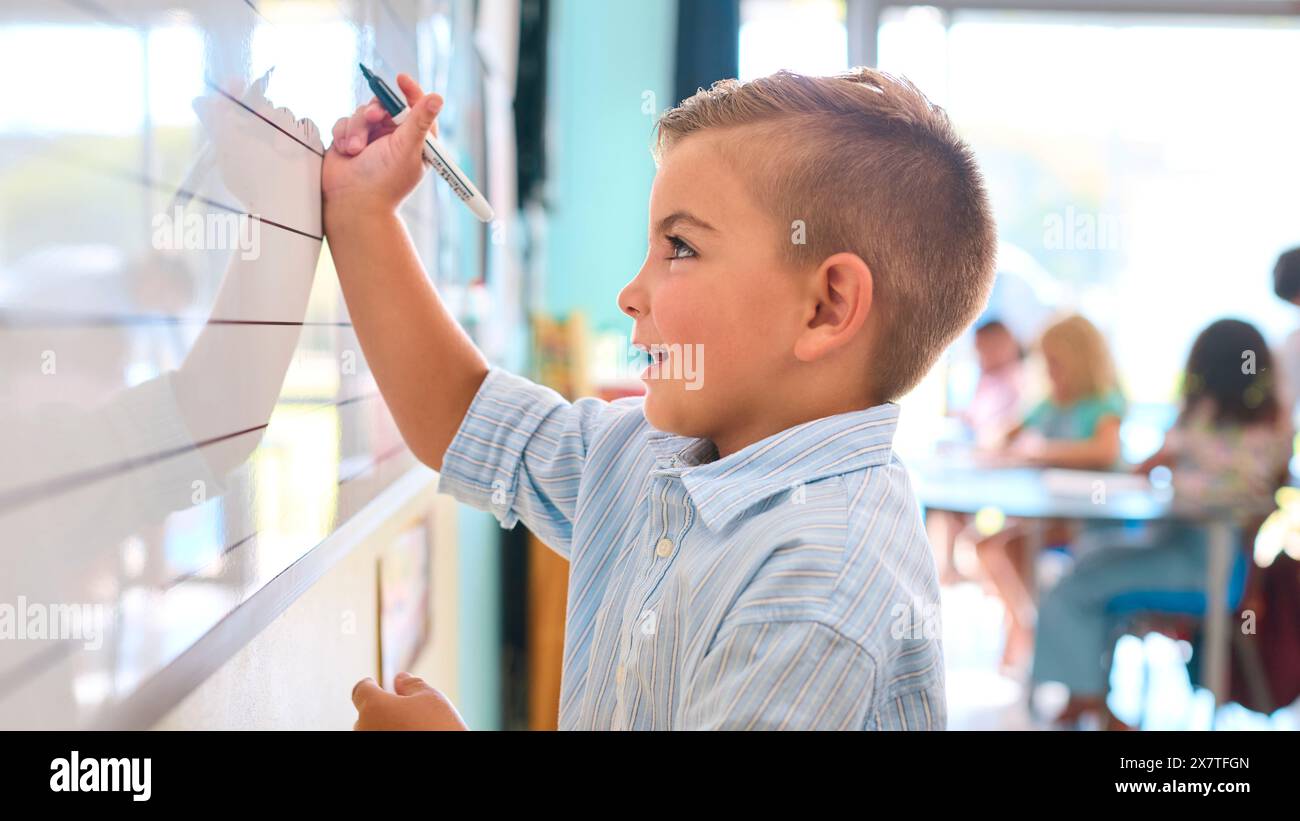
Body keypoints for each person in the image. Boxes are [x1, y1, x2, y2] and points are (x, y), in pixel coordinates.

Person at [326, 68, 999, 729]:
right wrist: (364, 213)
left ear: (826, 306)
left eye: (680, 246)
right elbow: (461, 416)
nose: (629, 292)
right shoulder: (652, 453)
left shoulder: (817, 593)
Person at [1032, 319, 1289, 729]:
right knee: (1091, 560)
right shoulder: (1268, 421)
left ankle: (1093, 703)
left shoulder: (1220, 422)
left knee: (1080, 579)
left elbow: (1171, 476)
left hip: (1201, 566)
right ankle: (1089, 697)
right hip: (1205, 559)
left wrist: (1168, 465)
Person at [970, 314, 1124, 670]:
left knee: (1009, 548)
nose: (1052, 372)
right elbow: (1004, 437)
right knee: (987, 544)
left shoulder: (1104, 404)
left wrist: (1041, 452)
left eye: (1057, 364)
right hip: (1052, 519)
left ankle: (1038, 634)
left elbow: (1105, 451)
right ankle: (1030, 627)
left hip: (1093, 524)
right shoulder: (1050, 404)